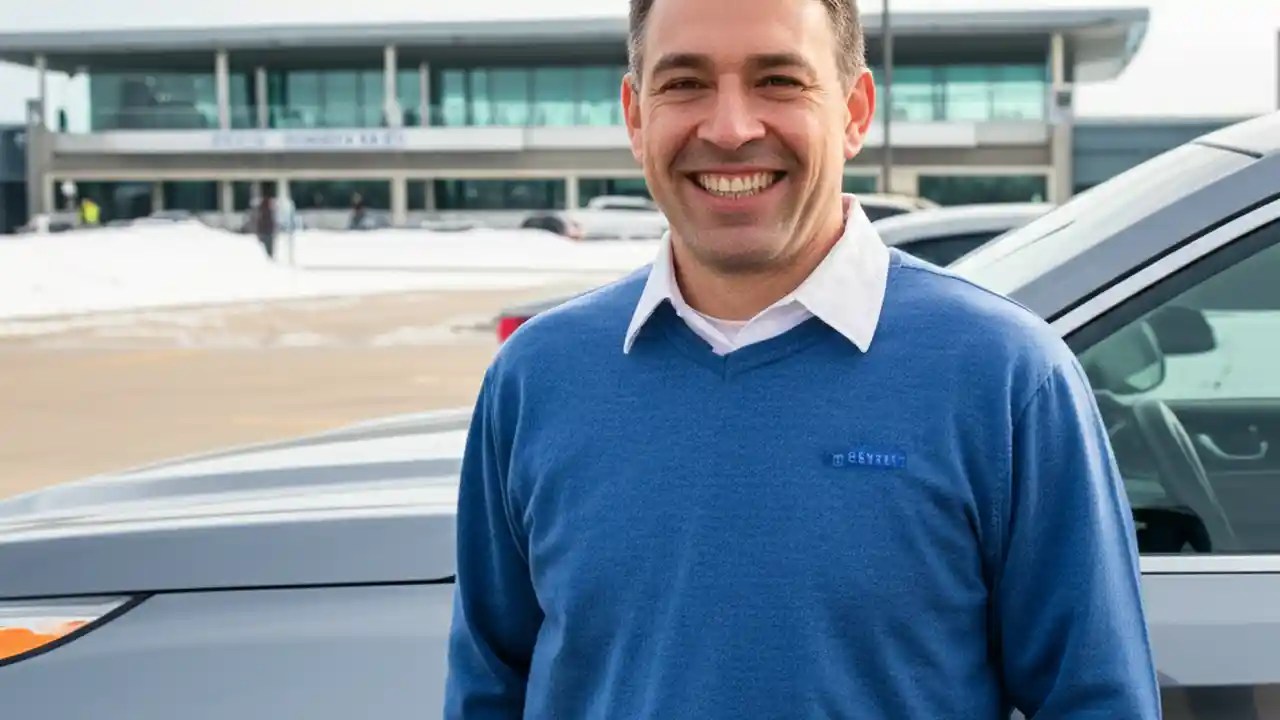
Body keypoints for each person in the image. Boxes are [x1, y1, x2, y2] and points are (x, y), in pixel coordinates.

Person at [445, 0, 1161, 718]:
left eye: (779, 81)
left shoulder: (1005, 378)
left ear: (854, 111)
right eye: (685, 83)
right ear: (636, 116)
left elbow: (1097, 703)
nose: (729, 129)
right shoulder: (535, 380)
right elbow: (488, 690)